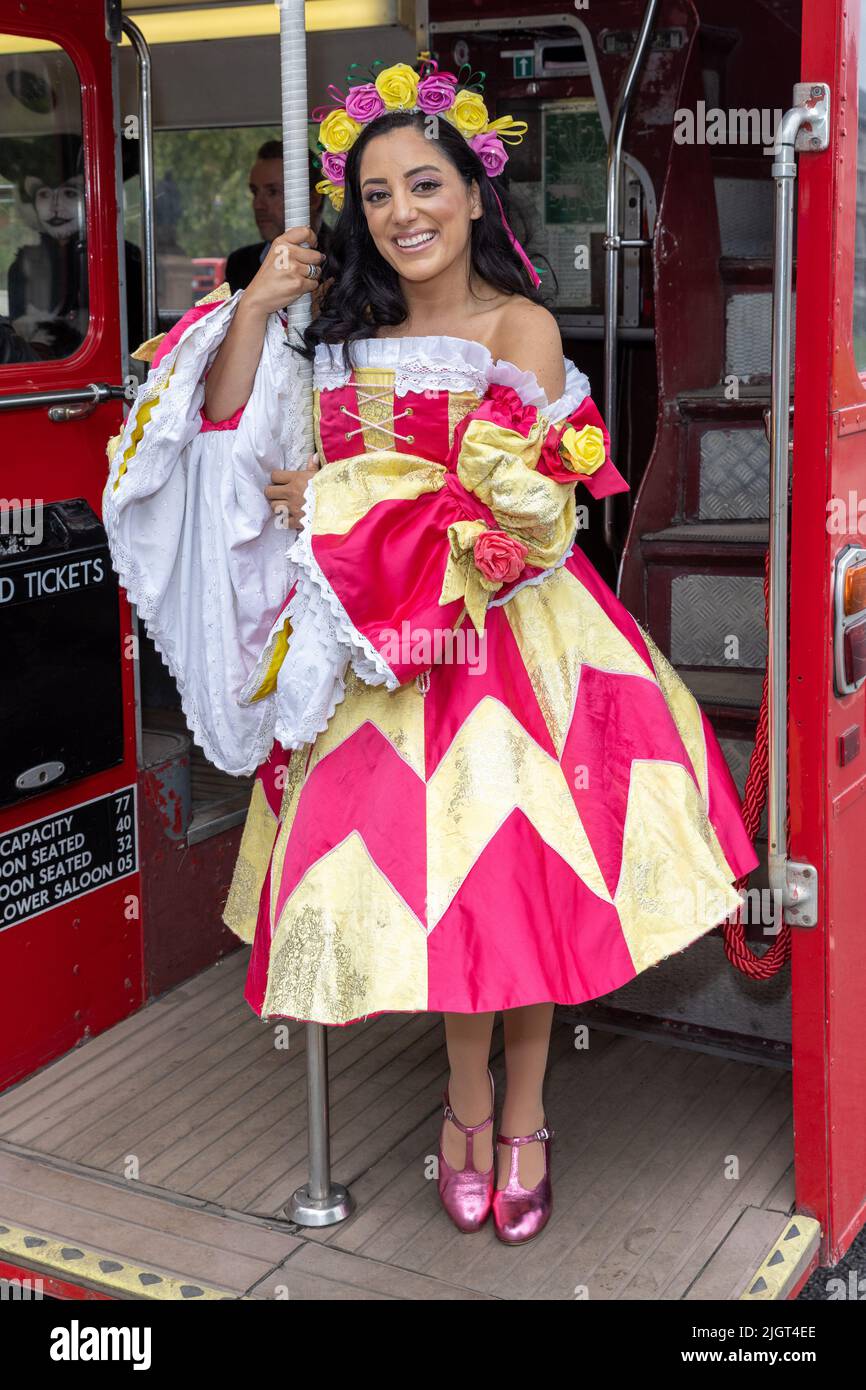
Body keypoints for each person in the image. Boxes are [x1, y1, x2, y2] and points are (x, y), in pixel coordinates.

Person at [102, 60, 759, 1246]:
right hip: (371, 651)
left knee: (515, 881)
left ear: (470, 194)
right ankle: (467, 1114)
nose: (402, 212)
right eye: (377, 194)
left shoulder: (522, 326)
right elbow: (223, 441)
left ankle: (523, 1114)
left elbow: (534, 513)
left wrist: (348, 496)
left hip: (505, 642)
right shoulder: (329, 332)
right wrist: (256, 305)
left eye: (424, 184)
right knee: (442, 894)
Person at [225, 139, 330, 292]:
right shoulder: (239, 263)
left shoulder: (346, 258)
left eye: (273, 192)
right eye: (255, 192)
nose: (257, 205)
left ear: (313, 199)